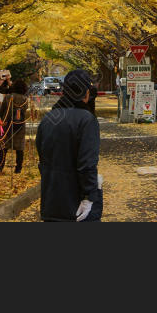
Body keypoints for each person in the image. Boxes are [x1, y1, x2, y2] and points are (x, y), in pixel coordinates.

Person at [35, 68, 102, 222]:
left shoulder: (48, 118)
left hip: (51, 200)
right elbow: (87, 164)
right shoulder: (86, 120)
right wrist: (89, 196)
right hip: (77, 204)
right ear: (86, 93)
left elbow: (42, 157)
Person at [0, 79, 30, 173]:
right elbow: (25, 111)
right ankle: (18, 168)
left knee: (4, 146)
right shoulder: (25, 99)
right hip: (20, 125)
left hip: (7, 124)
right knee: (20, 148)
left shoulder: (8, 97)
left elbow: (2, 110)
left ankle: (0, 166)